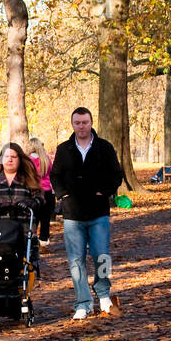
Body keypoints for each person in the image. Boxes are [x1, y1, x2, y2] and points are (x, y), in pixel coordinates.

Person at [50, 107, 125, 320]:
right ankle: (82, 303)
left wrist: (105, 192)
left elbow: (117, 174)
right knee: (76, 260)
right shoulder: (64, 149)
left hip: (98, 212)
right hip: (72, 214)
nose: (81, 126)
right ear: (72, 124)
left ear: (91, 122)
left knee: (102, 256)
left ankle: (103, 295)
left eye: (85, 122)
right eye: (77, 123)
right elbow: (55, 176)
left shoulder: (104, 147)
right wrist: (62, 195)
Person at [0, 144, 43, 220]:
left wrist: (30, 204)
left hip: (24, 227)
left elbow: (40, 198)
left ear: (20, 159)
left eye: (14, 157)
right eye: (6, 156)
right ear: (1, 159)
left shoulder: (28, 177)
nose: (10, 160)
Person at [27, 137, 55, 246]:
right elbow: (52, 173)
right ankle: (44, 240)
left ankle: (32, 239)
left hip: (33, 191)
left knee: (33, 217)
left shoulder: (28, 160)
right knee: (45, 218)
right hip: (47, 191)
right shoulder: (45, 159)